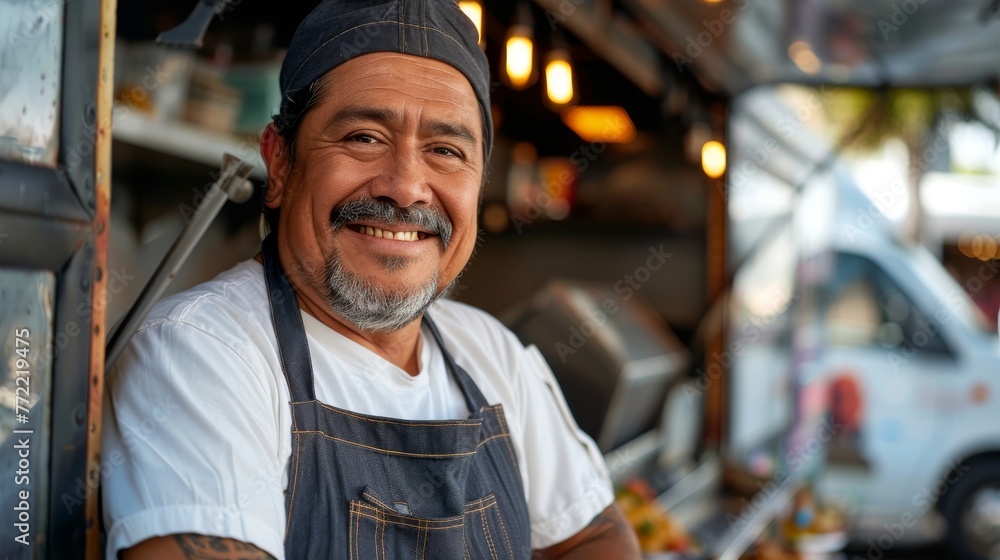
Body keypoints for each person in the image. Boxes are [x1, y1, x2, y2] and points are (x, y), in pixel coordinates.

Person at [101, 1, 641, 558]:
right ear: (280, 163)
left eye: (446, 151)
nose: (405, 188)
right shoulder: (200, 353)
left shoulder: (491, 353)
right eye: (364, 137)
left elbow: (597, 537)